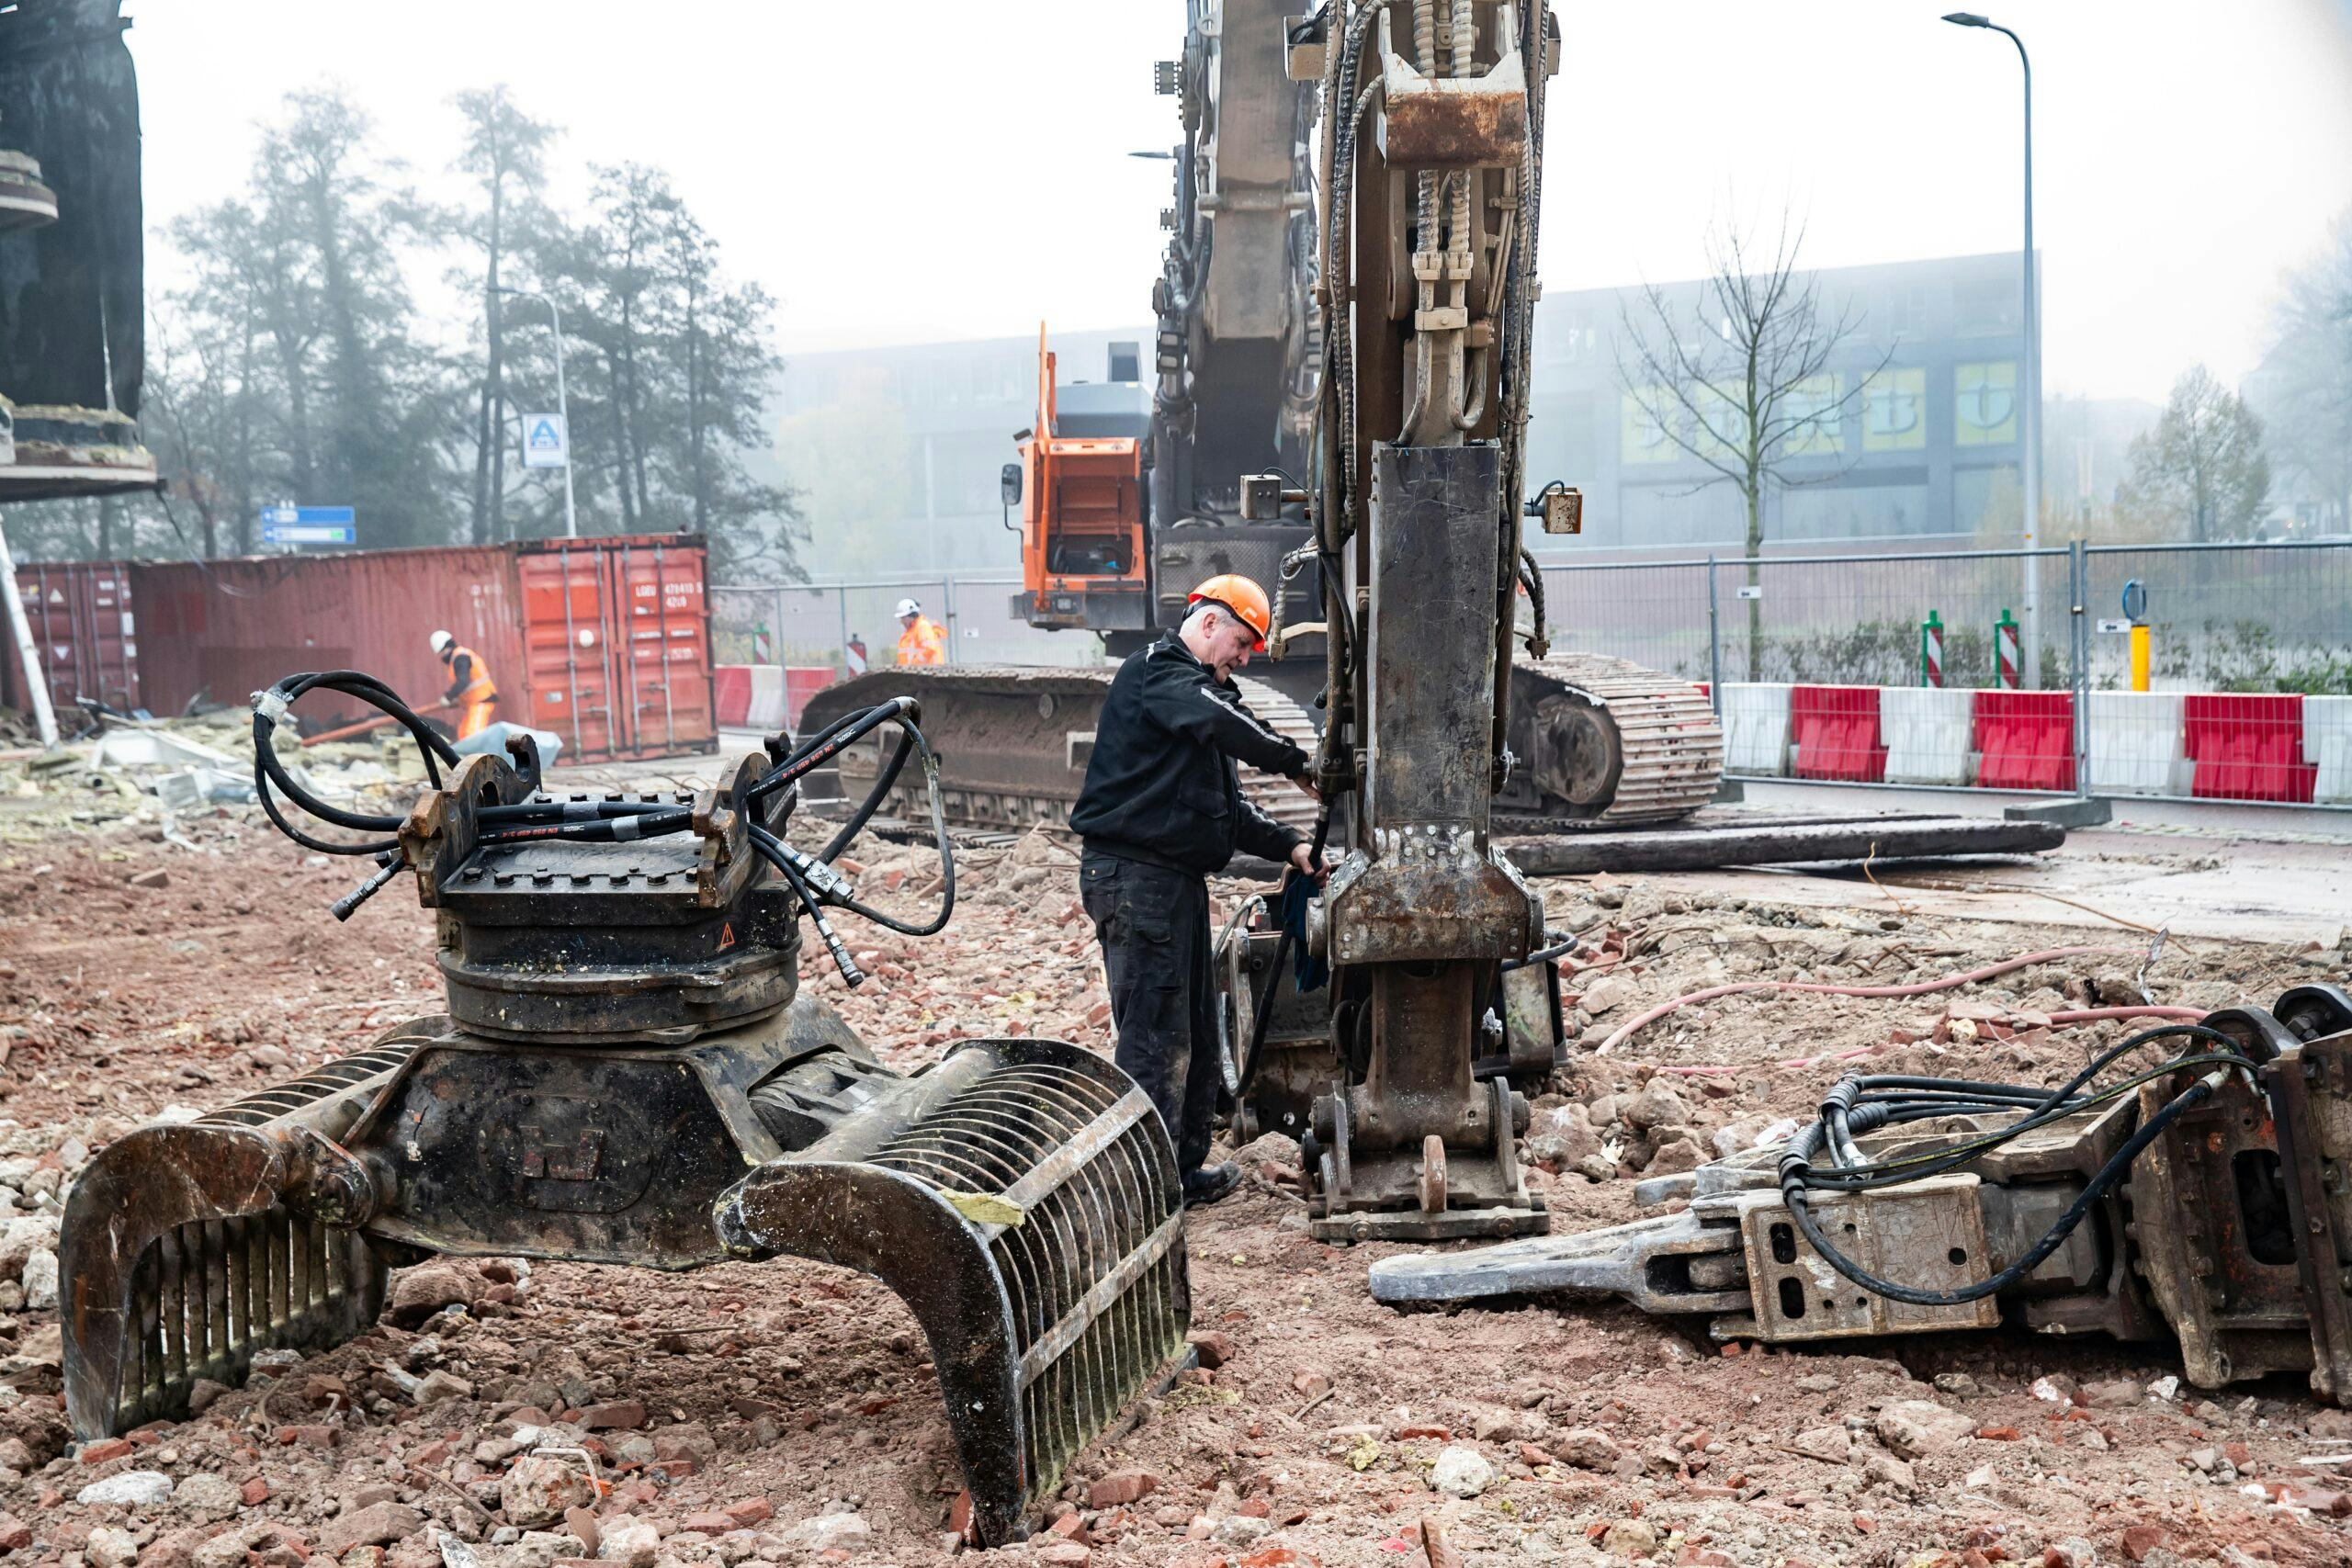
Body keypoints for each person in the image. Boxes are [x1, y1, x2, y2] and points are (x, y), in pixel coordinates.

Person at [1069, 574, 1323, 1207]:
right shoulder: (1159, 675)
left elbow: (1227, 813)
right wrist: (1293, 760)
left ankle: (1179, 1173)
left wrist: (1291, 844)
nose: (1242, 658)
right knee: (1153, 1035)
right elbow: (1221, 718)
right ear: (1208, 623)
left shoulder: (1197, 703)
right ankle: (1142, 1189)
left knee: (1197, 1034)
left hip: (1172, 881)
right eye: (1240, 643)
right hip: (1134, 877)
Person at [429, 629, 498, 740]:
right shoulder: (459, 657)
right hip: (473, 703)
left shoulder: (461, 658)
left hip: (481, 700)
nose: (442, 656)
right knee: (463, 736)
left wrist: (448, 697)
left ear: (446, 648)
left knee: (473, 737)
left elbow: (462, 682)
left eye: (442, 652)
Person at [895, 598, 945, 667]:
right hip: (916, 674)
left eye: (903, 618)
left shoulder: (922, 626)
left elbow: (930, 648)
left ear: (911, 616)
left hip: (927, 673)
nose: (902, 621)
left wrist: (914, 666)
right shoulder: (911, 631)